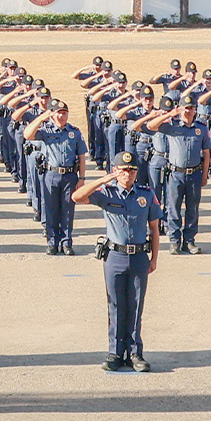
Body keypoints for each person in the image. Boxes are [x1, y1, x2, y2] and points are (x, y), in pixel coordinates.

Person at [72, 150, 160, 372]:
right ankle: (115, 352)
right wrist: (103, 180)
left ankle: (134, 352)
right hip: (115, 256)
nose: (127, 174)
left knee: (136, 305)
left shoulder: (146, 195)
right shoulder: (108, 193)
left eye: (131, 170)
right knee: (115, 305)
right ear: (115, 172)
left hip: (139, 256)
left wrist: (154, 259)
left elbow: (155, 229)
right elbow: (77, 197)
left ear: (136, 173)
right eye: (122, 170)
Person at [145, 95, 211, 255]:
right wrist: (169, 114)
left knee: (192, 209)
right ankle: (175, 241)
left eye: (191, 108)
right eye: (185, 108)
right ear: (180, 109)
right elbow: (151, 126)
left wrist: (204, 175)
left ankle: (189, 241)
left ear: (195, 109)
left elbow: (207, 153)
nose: (188, 111)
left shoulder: (201, 128)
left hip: (194, 173)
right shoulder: (171, 126)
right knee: (173, 208)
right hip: (175, 174)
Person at [24, 99, 87, 255]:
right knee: (50, 210)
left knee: (67, 210)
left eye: (64, 113)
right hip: (51, 174)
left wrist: (82, 178)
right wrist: (41, 118)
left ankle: (66, 242)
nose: (62, 116)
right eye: (58, 113)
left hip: (70, 175)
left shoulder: (75, 132)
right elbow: (27, 134)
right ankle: (52, 242)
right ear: (52, 115)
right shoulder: (46, 131)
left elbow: (82, 156)